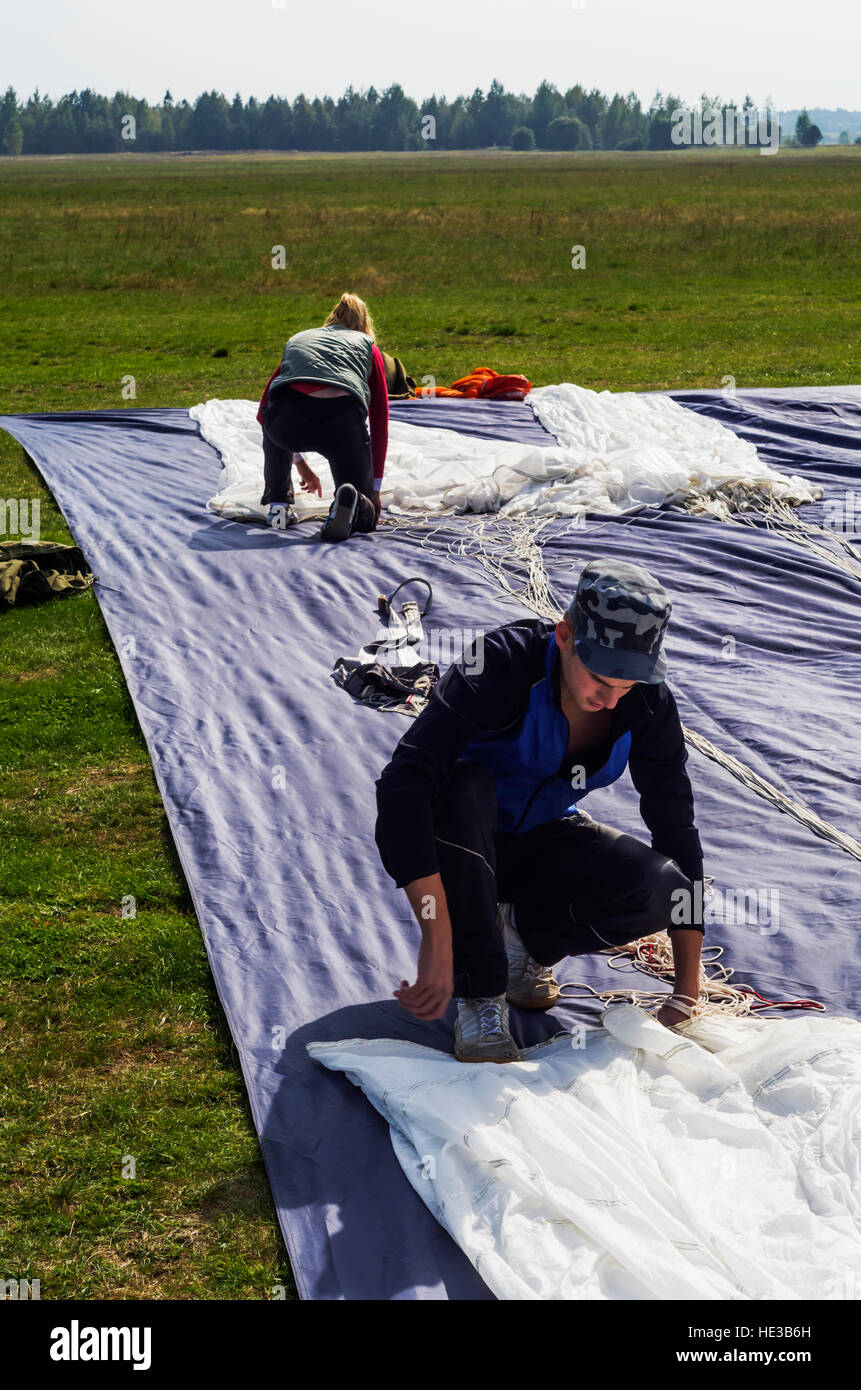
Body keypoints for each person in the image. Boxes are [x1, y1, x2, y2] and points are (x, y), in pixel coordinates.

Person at [374, 559, 706, 1062]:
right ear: (566, 635)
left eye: (629, 685)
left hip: (541, 836)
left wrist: (686, 991)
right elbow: (404, 784)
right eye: (601, 678)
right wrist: (436, 935)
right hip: (461, 843)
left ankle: (524, 941)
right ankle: (480, 993)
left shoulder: (648, 704)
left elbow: (676, 827)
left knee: (664, 887)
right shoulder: (501, 663)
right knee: (467, 787)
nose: (612, 700)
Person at [256, 293, 389, 542]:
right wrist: (374, 490)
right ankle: (353, 501)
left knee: (273, 412)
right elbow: (379, 422)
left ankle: (278, 507)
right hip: (341, 425)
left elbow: (263, 408)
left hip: (288, 422)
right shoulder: (368, 346)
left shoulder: (300, 339)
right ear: (364, 325)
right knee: (364, 515)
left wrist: (298, 462)